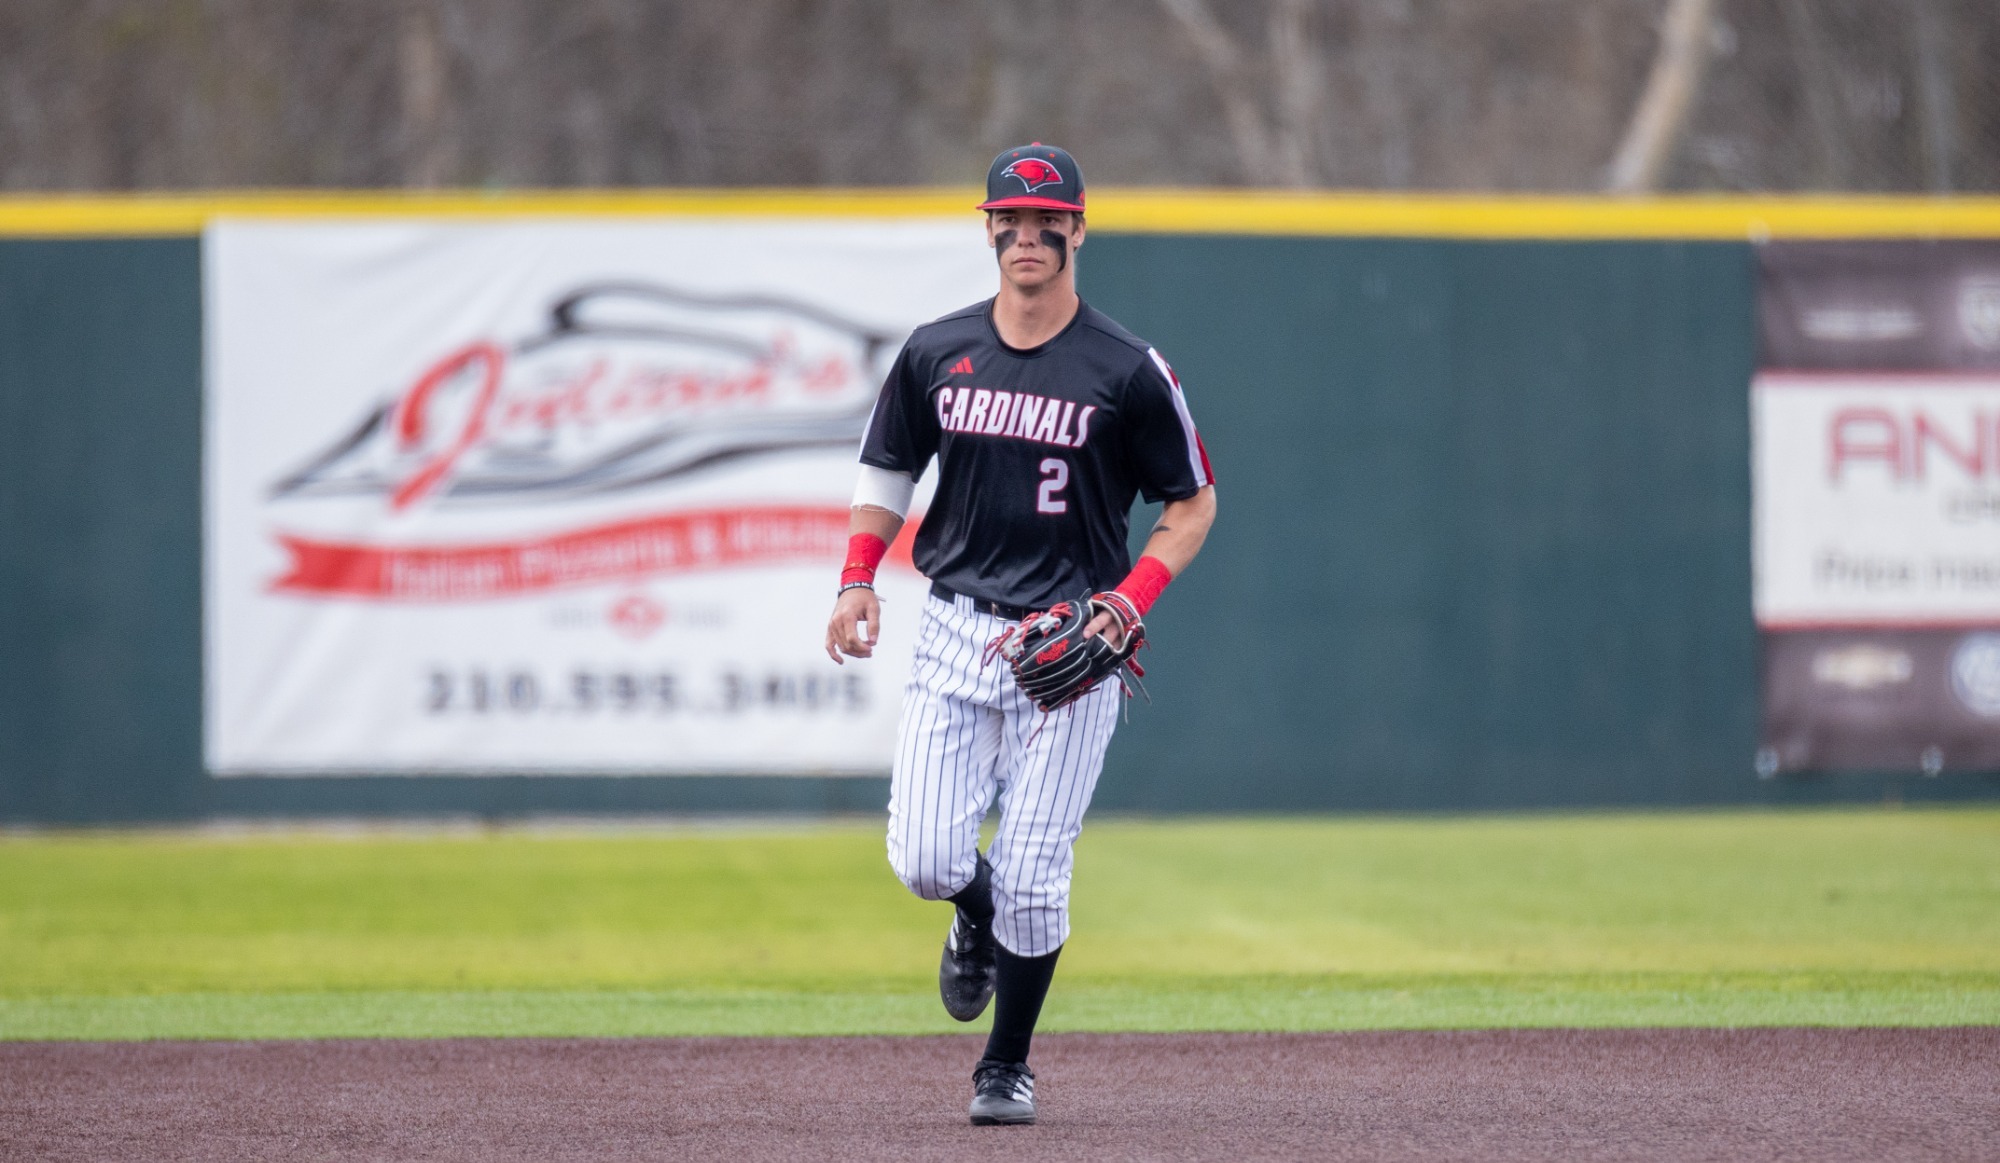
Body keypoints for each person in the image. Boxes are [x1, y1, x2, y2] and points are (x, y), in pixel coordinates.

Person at [823, 143, 1216, 1126]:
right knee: (922, 857)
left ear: (1078, 229)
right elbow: (886, 474)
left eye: (1048, 220)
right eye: (1011, 217)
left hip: (1070, 645)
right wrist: (856, 577)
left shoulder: (1126, 369)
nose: (1027, 234)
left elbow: (1191, 501)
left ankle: (1004, 1066)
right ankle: (970, 912)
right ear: (987, 225)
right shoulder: (936, 351)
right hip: (956, 628)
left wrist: (1127, 600)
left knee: (1037, 876)